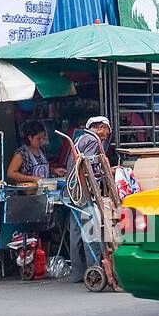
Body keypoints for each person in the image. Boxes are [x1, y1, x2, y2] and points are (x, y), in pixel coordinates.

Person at [63, 116, 114, 285]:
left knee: (76, 231)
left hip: (74, 192)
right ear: (100, 127)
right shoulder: (92, 140)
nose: (107, 135)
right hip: (84, 191)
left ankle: (77, 273)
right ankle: (94, 268)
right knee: (89, 230)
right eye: (107, 130)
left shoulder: (79, 140)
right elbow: (89, 166)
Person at [6, 120, 51, 185]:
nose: (41, 140)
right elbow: (11, 174)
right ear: (30, 138)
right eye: (38, 138)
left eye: (43, 137)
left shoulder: (42, 150)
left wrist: (53, 170)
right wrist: (32, 178)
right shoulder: (21, 154)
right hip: (28, 192)